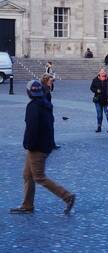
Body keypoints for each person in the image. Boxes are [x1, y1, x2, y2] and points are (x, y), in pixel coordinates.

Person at [10, 79, 75, 215]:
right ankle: (27, 205)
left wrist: (29, 145)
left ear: (28, 92)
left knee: (39, 177)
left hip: (37, 147)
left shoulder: (33, 106)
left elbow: (32, 128)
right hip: (44, 144)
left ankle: (67, 196)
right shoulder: (45, 104)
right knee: (27, 175)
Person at [90, 67, 108, 132]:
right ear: (99, 73)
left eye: (104, 72)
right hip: (98, 99)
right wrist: (96, 90)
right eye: (101, 72)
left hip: (106, 100)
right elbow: (91, 88)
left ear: (105, 73)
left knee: (107, 114)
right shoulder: (95, 79)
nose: (103, 73)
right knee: (99, 114)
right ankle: (99, 127)